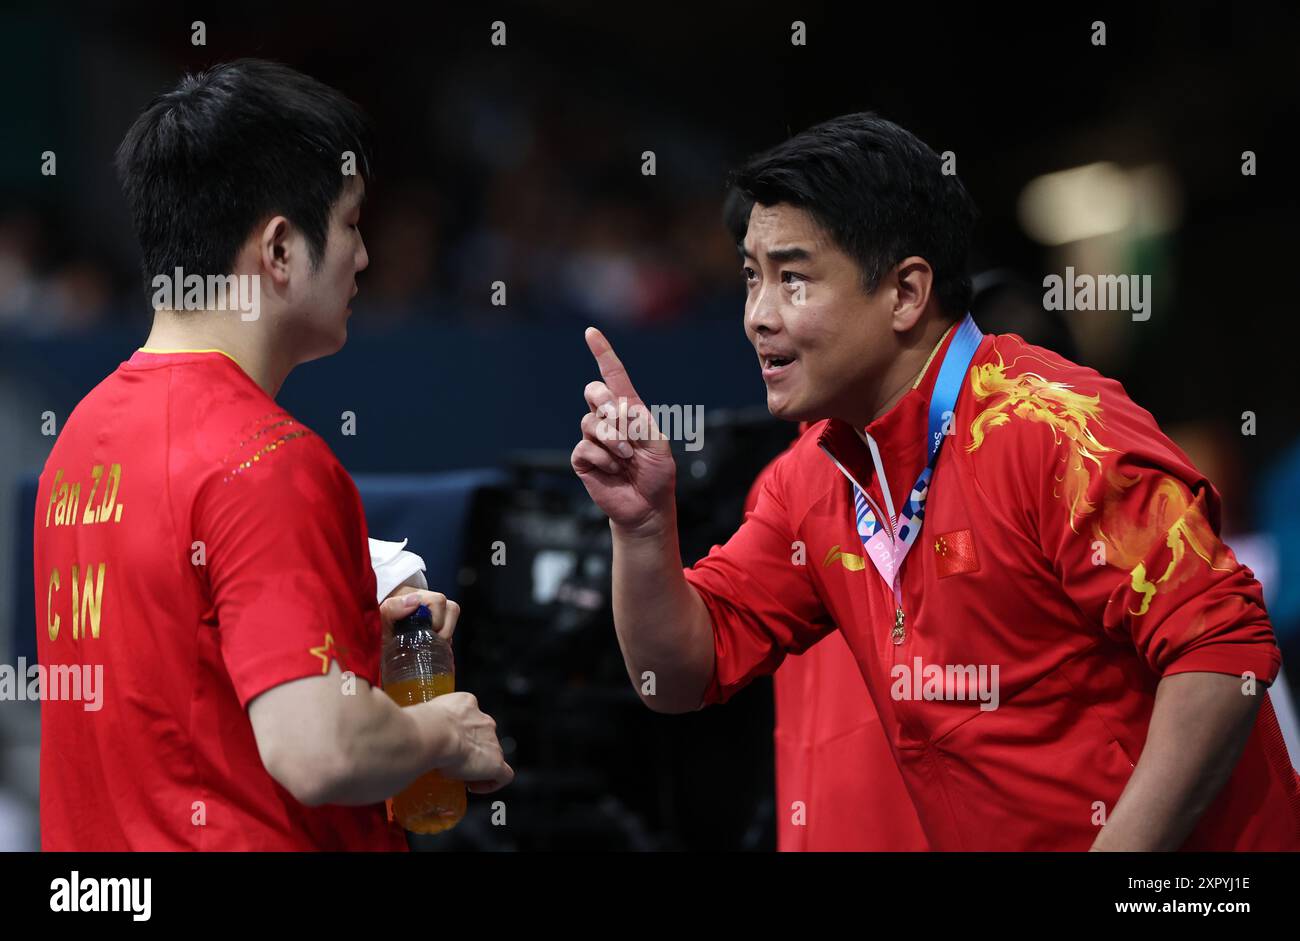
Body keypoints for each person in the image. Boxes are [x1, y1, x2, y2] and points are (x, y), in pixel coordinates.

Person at [570, 112, 1300, 850]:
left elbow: (1223, 651)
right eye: (751, 279)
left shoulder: (1055, 430)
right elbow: (679, 674)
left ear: (906, 292)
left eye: (792, 280)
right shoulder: (809, 479)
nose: (757, 316)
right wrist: (643, 527)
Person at [33, 59, 512, 851]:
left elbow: (189, 694)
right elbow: (316, 749)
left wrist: (353, 642)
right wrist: (437, 732)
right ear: (281, 248)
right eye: (354, 223)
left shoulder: (78, 443)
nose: (363, 257)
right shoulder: (270, 461)